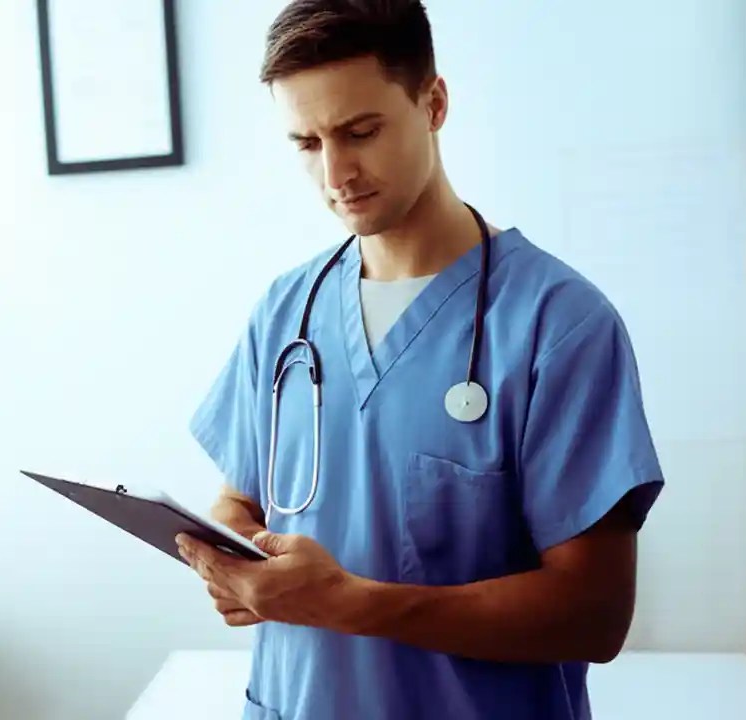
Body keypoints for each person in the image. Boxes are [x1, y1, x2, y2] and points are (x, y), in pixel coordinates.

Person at [175, 2, 666, 719]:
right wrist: (231, 562)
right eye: (307, 143)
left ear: (433, 103)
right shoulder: (288, 312)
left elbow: (592, 615)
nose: (336, 173)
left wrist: (352, 605)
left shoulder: (557, 324)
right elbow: (242, 498)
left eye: (360, 132)